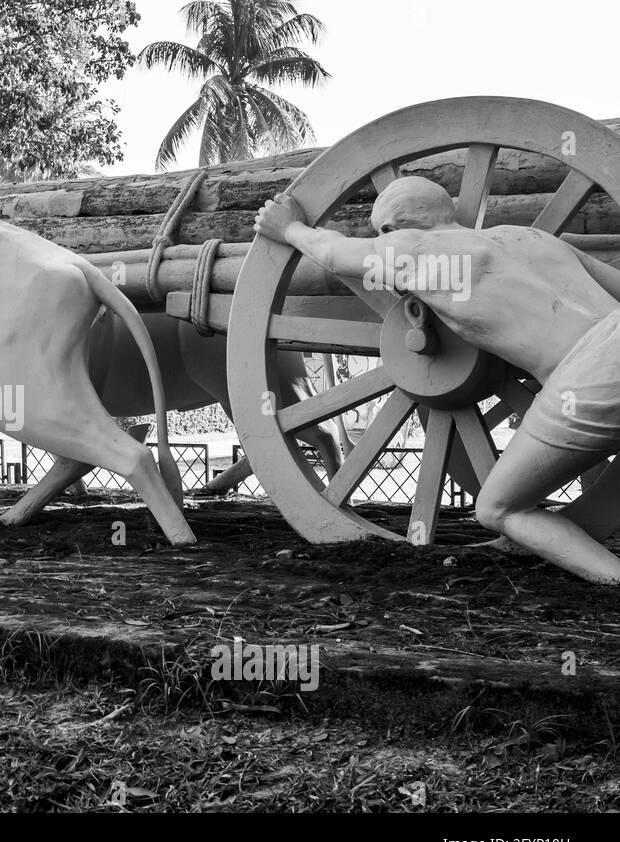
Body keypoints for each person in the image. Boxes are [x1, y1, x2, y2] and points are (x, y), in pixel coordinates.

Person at [255, 176, 620, 584]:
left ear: (390, 229)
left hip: (589, 373)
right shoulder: (528, 237)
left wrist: (288, 227)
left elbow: (334, 253)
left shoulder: (414, 248)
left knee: (497, 509)